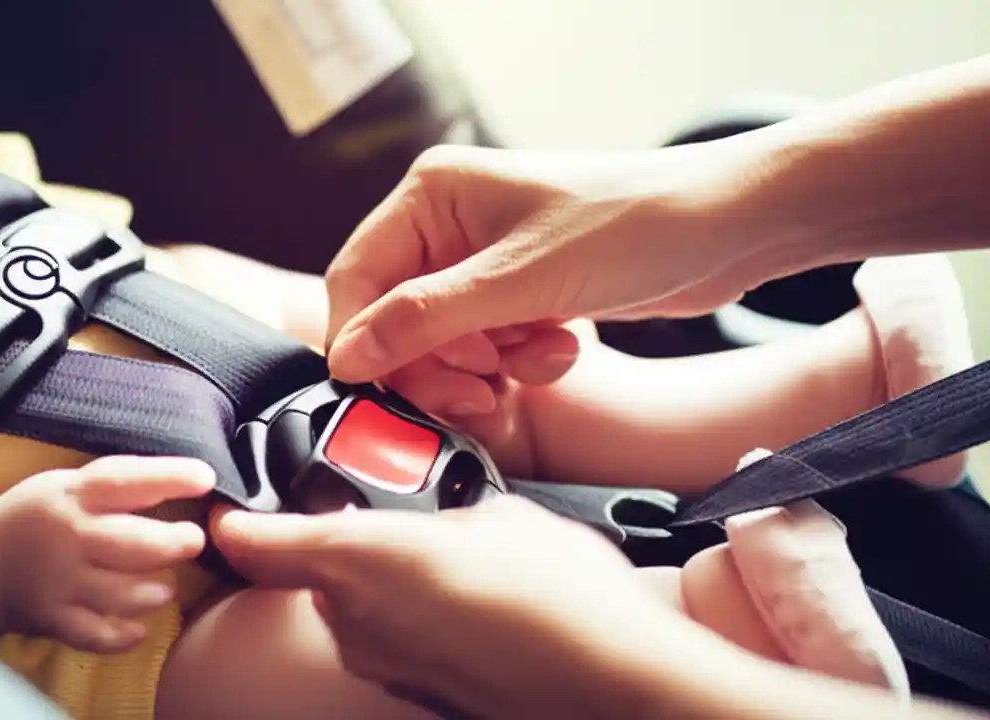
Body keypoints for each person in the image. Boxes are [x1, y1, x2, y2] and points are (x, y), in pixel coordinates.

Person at [0, 87, 971, 719]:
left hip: (178, 339)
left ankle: (823, 397)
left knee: (440, 370)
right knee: (289, 669)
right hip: (122, 617)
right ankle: (705, 627)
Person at [207, 55, 990, 718]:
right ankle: (706, 627)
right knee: (276, 651)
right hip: (163, 609)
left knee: (509, 393)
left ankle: (840, 389)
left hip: (252, 369)